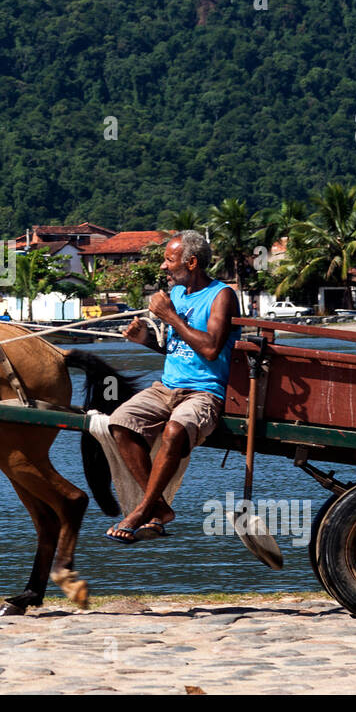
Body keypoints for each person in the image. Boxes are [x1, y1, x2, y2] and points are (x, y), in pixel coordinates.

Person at [105, 230, 240, 543]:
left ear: (191, 263)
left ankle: (142, 510)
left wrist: (170, 316)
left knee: (175, 430)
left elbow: (210, 349)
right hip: (166, 387)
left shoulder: (222, 295)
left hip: (205, 392)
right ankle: (160, 509)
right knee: (120, 423)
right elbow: (178, 347)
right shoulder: (177, 294)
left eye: (169, 260)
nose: (164, 267)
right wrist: (146, 340)